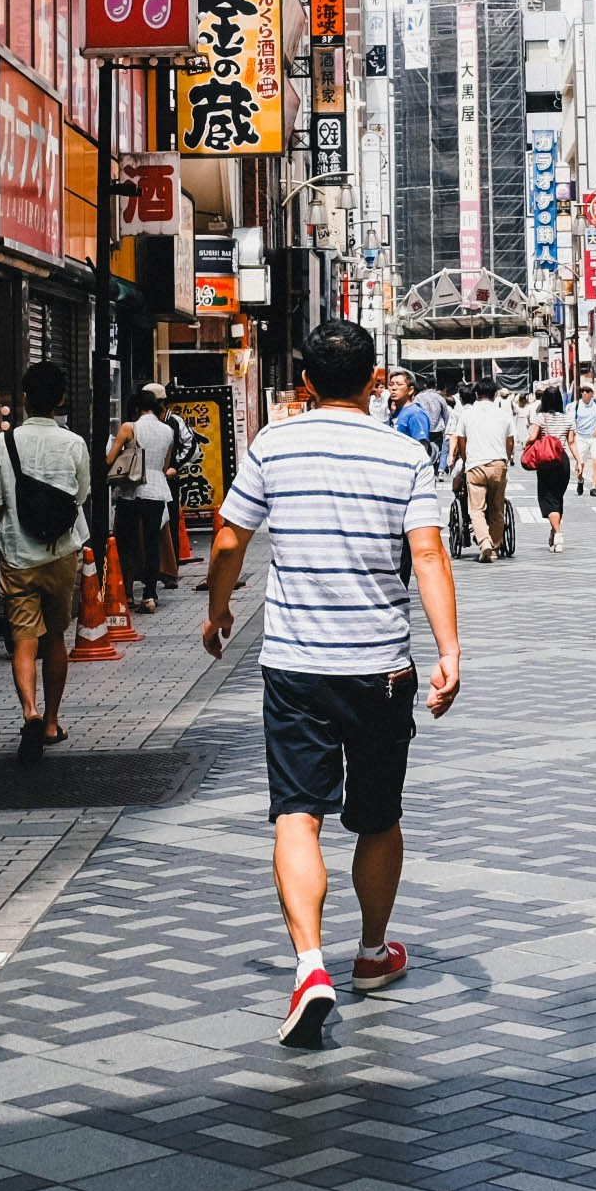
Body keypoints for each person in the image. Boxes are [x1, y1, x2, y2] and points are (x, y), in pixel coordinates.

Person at [203, 317, 460, 1049]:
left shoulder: (272, 444)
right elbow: (430, 555)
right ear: (376, 378)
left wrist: (218, 613)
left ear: (306, 381)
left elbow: (228, 538)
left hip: (296, 666)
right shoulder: (404, 452)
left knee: (297, 814)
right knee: (377, 816)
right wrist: (450, 650)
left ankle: (309, 966)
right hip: (381, 665)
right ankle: (373, 954)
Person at [0, 362, 94, 764]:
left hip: (16, 554)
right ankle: (50, 721)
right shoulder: (73, 443)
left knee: (24, 640)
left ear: (25, 398)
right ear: (62, 399)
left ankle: (28, 710)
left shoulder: (1, 444)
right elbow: (80, 497)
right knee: (56, 638)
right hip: (61, 553)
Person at [111, 387, 181, 613]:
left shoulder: (129, 428)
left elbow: (110, 458)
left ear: (137, 407)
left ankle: (128, 593)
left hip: (131, 490)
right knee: (152, 543)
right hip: (157, 489)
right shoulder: (167, 431)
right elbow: (164, 464)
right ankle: (150, 595)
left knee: (127, 543)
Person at [450, 377, 517, 561]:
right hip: (498, 463)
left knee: (476, 509)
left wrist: (466, 460)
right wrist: (507, 457)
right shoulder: (503, 414)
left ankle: (484, 542)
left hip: (475, 464)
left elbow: (461, 441)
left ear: (477, 394)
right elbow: (510, 440)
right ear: (495, 395)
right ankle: (495, 548)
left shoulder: (467, 414)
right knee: (497, 508)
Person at [525, 385, 573, 553]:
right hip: (563, 461)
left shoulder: (540, 418)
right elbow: (572, 442)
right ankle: (554, 531)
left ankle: (558, 535)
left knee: (548, 498)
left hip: (546, 461)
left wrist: (527, 447)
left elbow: (532, 437)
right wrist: (580, 462)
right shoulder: (567, 419)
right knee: (557, 497)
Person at [571, 379, 596, 497]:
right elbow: (572, 419)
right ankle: (580, 480)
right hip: (581, 437)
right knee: (580, 464)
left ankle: (594, 487)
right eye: (582, 391)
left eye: (587, 391)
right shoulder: (576, 405)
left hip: (594, 437)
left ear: (592, 393)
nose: (584, 393)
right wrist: (574, 430)